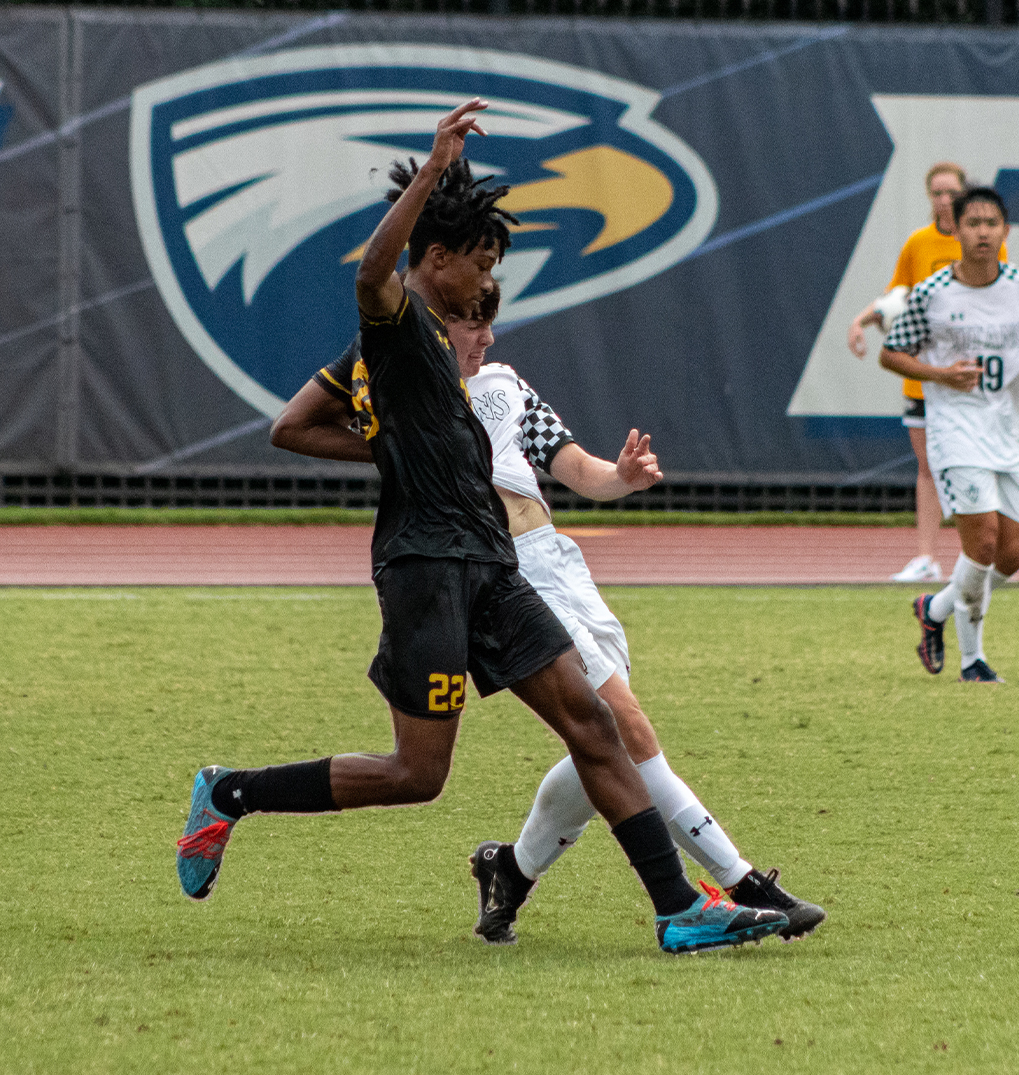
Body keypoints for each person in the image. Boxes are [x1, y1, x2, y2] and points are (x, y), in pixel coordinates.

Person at [177, 98, 788, 955]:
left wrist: (394, 443)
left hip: (494, 566)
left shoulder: (442, 349)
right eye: (482, 263)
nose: (488, 281)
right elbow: (328, 358)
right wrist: (433, 168)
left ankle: (679, 908)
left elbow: (298, 425)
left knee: (594, 723)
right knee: (416, 774)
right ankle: (229, 793)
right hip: (426, 568)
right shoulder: (395, 321)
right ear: (437, 260)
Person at [276, 287, 825, 946]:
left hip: (561, 564)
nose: (487, 339)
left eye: (489, 325)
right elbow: (302, 425)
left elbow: (578, 469)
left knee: (600, 739)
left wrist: (622, 477)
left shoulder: (506, 385)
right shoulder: (412, 394)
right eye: (473, 326)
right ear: (437, 327)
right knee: (623, 728)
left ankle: (511, 869)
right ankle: (741, 883)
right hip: (501, 572)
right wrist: (389, 448)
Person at [877, 187, 1019, 684]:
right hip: (956, 431)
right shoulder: (932, 292)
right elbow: (891, 353)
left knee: (1011, 556)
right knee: (981, 543)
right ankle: (971, 661)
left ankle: (933, 609)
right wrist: (940, 375)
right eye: (973, 223)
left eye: (992, 223)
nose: (983, 232)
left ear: (1006, 231)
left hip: (1011, 432)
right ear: (955, 230)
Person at [847, 163, 968, 585]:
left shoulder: (980, 243)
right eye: (936, 193)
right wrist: (861, 321)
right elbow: (896, 297)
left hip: (964, 377)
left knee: (969, 464)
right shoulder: (918, 243)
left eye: (951, 192)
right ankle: (927, 558)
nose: (944, 200)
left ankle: (978, 557)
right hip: (922, 375)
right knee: (928, 467)